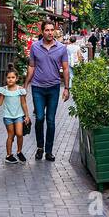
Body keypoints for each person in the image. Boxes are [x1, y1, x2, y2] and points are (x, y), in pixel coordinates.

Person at [26, 21, 70, 161]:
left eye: (52, 30)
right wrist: (25, 84)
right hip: (38, 87)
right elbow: (32, 66)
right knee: (39, 118)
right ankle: (40, 147)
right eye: (47, 30)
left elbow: (66, 68)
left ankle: (49, 151)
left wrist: (67, 88)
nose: (50, 32)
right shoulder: (35, 47)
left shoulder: (61, 48)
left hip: (54, 87)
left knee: (50, 120)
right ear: (42, 31)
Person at [0, 67, 31, 164]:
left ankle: (19, 151)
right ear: (6, 78)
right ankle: (9, 155)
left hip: (19, 115)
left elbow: (24, 104)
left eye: (13, 77)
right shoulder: (3, 90)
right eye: (8, 77)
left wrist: (27, 116)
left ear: (17, 78)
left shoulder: (20, 90)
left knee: (19, 134)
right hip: (8, 117)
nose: (10, 79)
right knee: (10, 135)